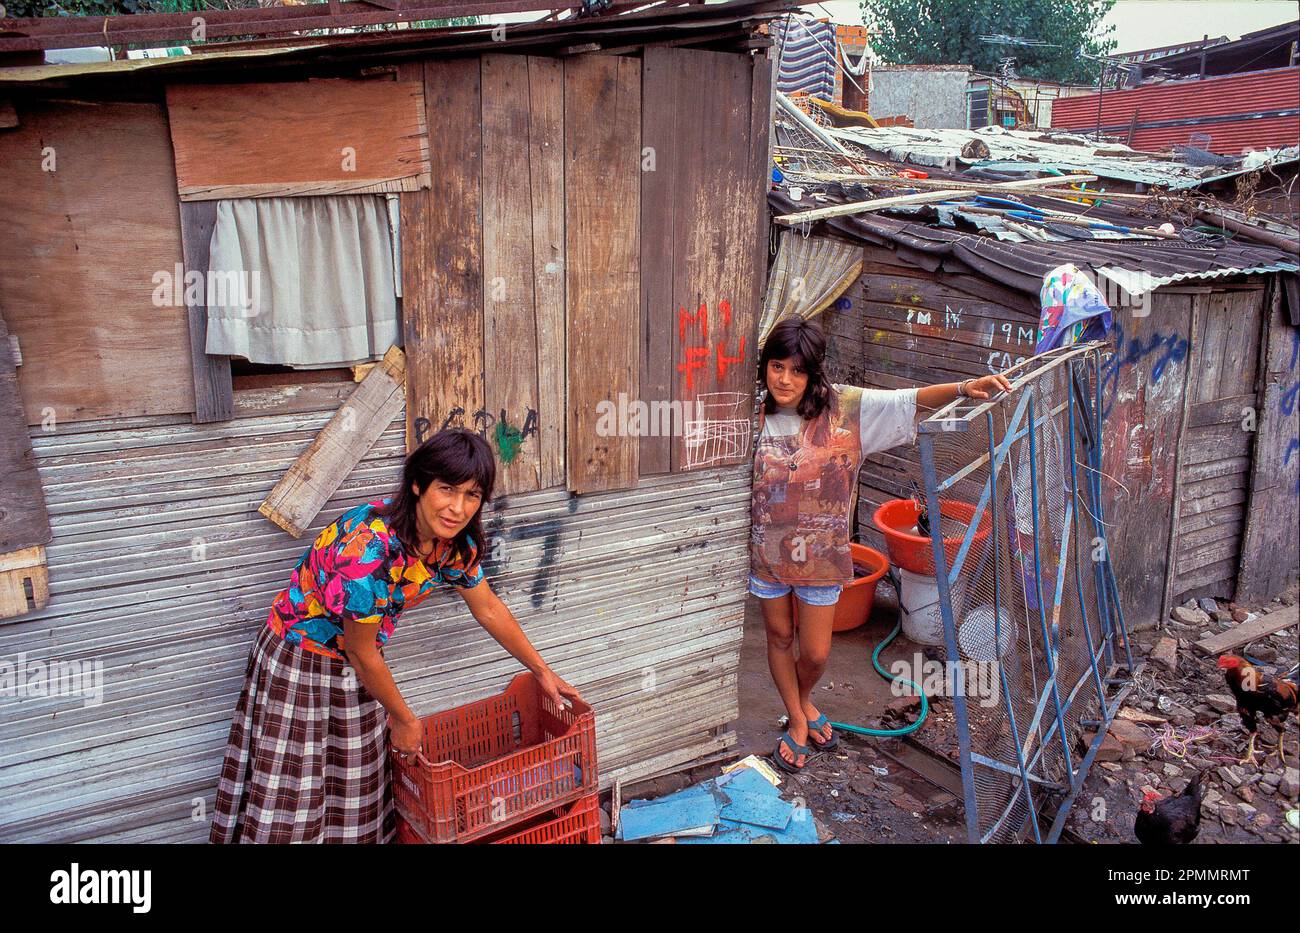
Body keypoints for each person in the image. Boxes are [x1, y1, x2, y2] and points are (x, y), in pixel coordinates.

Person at [209, 428, 582, 842]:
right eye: (447, 489)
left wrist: (542, 671)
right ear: (418, 484)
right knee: (294, 791)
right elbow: (360, 649)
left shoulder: (450, 543)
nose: (458, 508)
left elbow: (488, 607)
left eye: (472, 496)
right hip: (302, 661)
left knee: (353, 785)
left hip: (359, 663)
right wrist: (405, 719)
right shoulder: (368, 552)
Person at [751, 318, 1012, 773]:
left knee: (814, 653)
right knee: (778, 637)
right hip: (767, 556)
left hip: (824, 557)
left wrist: (966, 386)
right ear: (766, 368)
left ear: (813, 374)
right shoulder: (751, 415)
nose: (784, 380)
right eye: (776, 367)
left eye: (796, 370)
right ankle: (797, 716)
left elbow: (907, 401)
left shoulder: (846, 410)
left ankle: (806, 697)